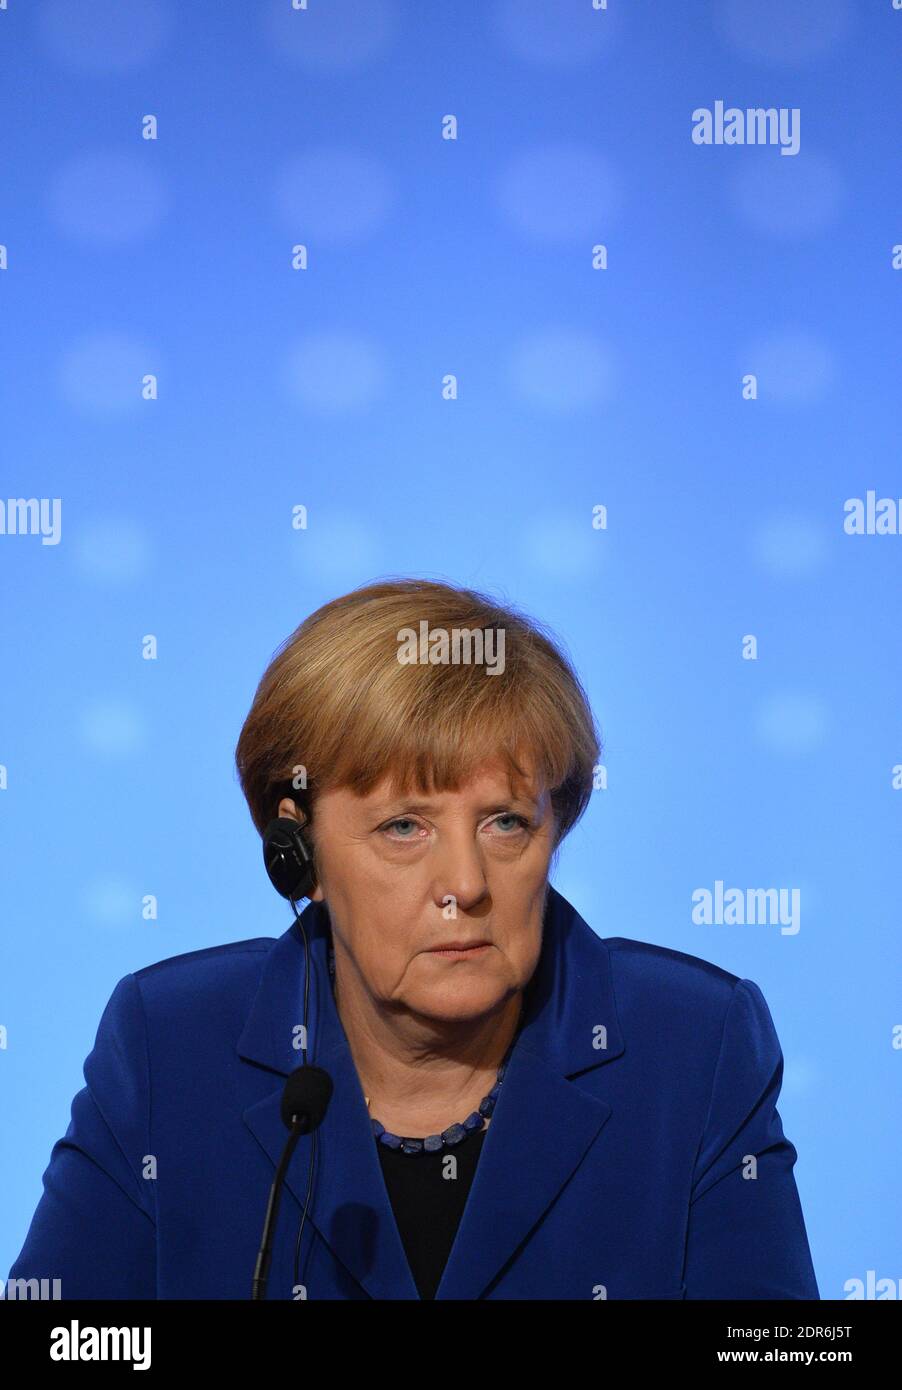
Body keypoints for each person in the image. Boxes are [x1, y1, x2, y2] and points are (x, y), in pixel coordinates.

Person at [7, 577, 819, 1299]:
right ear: (299, 856)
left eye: (506, 822)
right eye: (404, 826)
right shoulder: (169, 1040)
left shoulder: (692, 1045)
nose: (465, 884)